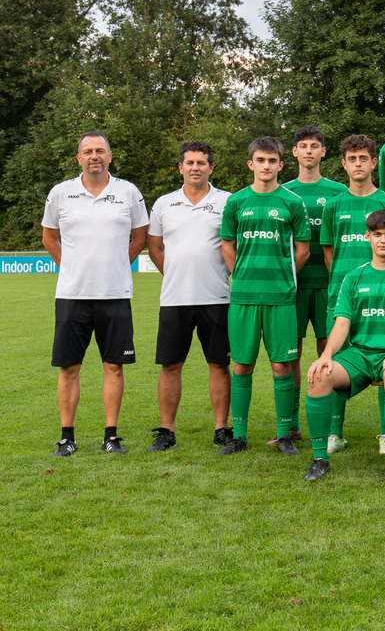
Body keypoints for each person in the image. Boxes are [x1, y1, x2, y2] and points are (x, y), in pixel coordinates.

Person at [42, 132, 149, 456]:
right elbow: (49, 239)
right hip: (72, 295)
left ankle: (111, 436)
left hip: (115, 294)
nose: (94, 156)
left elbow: (140, 237)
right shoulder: (61, 193)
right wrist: (72, 267)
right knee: (69, 367)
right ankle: (67, 437)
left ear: (110, 156)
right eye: (88, 151)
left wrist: (116, 265)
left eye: (100, 150)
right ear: (79, 158)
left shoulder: (128, 192)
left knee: (114, 366)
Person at [302, 209, 385, 483]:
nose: (383, 241)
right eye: (377, 235)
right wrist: (327, 356)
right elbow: (342, 323)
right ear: (367, 237)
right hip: (358, 354)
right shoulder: (353, 277)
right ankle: (319, 458)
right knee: (319, 375)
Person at [218, 136, 311, 455]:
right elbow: (227, 245)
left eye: (272, 161)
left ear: (281, 165)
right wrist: (240, 274)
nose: (266, 166)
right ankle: (239, 435)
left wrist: (285, 277)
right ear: (251, 164)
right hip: (243, 296)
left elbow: (302, 249)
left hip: (281, 297)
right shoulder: (236, 202)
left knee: (282, 366)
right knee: (242, 365)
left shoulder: (292, 202)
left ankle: (285, 434)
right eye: (261, 160)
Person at [146, 141, 232, 452]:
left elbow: (233, 245)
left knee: (219, 365)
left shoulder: (227, 201)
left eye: (201, 162)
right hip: (174, 299)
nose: (195, 167)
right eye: (189, 162)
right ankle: (166, 431)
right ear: (180, 167)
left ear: (211, 167)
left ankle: (222, 429)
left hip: (217, 297)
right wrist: (173, 274)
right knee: (170, 365)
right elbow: (155, 247)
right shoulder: (164, 204)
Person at [319, 135, 385, 455]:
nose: (357, 164)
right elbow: (329, 252)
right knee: (337, 360)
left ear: (373, 162)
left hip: (382, 297)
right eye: (351, 159)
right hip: (342, 296)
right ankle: (335, 432)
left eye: (363, 158)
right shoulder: (333, 205)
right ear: (343, 164)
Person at [283, 125, 347, 444]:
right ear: (294, 152)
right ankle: (292, 423)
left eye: (315, 146)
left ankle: (333, 428)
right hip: (293, 287)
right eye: (303, 146)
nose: (309, 151)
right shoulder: (282, 191)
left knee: (328, 354)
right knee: (291, 355)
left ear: (324, 152)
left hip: (328, 286)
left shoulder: (338, 191)